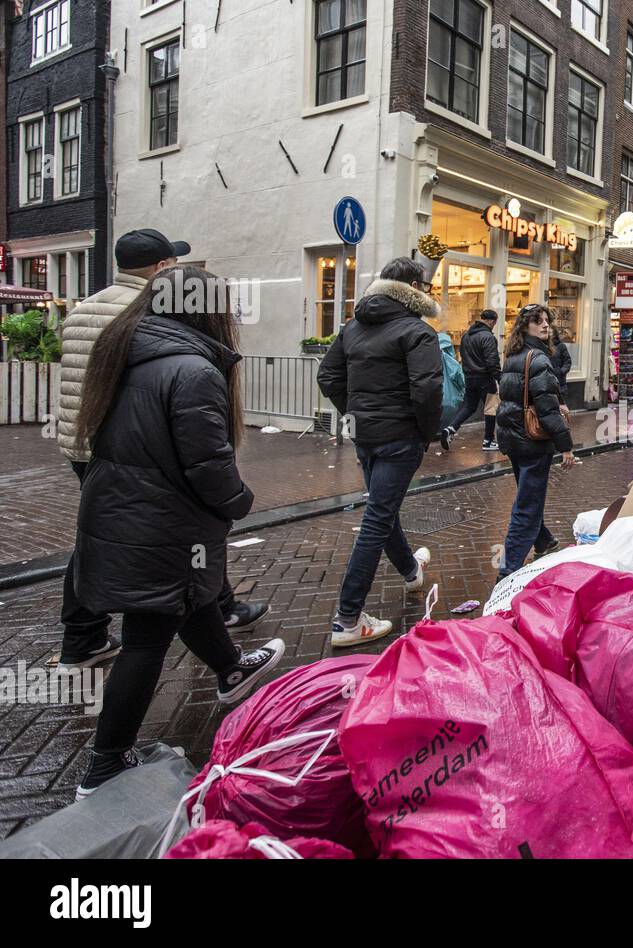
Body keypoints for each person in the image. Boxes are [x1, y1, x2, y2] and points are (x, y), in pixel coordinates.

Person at [70, 266, 285, 798]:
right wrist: (237, 501)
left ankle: (232, 670)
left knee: (189, 597)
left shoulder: (123, 349)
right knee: (148, 634)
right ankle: (105, 765)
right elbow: (206, 462)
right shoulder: (193, 369)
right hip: (163, 519)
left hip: (123, 507)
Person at [56, 230, 267, 675]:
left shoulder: (86, 308)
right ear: (161, 269)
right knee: (177, 549)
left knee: (102, 538)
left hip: (91, 444)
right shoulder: (145, 317)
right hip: (147, 449)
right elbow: (194, 442)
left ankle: (82, 636)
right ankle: (215, 607)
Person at [317, 257, 443, 647]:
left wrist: (357, 412)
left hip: (366, 435)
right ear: (413, 290)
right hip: (401, 437)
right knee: (376, 519)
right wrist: (425, 432)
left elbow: (328, 377)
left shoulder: (352, 327)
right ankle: (348, 619)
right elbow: (426, 390)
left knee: (381, 509)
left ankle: (410, 572)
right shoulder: (417, 332)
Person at [494, 303, 575, 580]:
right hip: (532, 440)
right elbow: (547, 409)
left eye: (547, 321)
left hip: (513, 438)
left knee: (527, 495)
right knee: (527, 507)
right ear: (525, 326)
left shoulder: (513, 355)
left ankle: (544, 542)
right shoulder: (539, 358)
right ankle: (508, 570)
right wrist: (565, 445)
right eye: (538, 321)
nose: (545, 326)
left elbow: (515, 398)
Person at [440, 309, 501, 451]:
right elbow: (492, 361)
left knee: (469, 406)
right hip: (485, 379)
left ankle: (450, 428)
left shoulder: (467, 335)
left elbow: (462, 355)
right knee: (490, 409)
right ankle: (488, 441)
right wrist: (500, 377)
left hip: (469, 377)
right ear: (492, 321)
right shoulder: (487, 337)